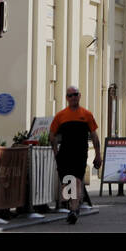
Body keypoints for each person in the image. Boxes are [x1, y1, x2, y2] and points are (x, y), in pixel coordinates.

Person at [49, 86, 101, 224]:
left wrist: (98, 155)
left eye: (75, 94)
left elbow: (95, 136)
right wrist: (56, 153)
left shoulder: (87, 115)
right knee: (66, 181)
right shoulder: (60, 116)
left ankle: (74, 209)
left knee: (77, 180)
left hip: (80, 153)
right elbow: (52, 135)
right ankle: (70, 204)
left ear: (80, 96)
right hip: (65, 153)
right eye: (70, 95)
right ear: (66, 98)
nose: (73, 97)